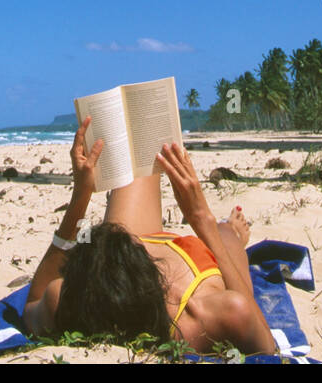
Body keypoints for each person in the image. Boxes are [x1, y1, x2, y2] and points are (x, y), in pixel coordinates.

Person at [21, 117, 278, 356]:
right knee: (226, 235)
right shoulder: (200, 318)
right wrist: (203, 220)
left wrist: (81, 194)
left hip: (122, 253)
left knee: (136, 145)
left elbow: (33, 299)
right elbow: (268, 345)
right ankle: (229, 230)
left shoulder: (73, 301)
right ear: (151, 277)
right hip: (194, 267)